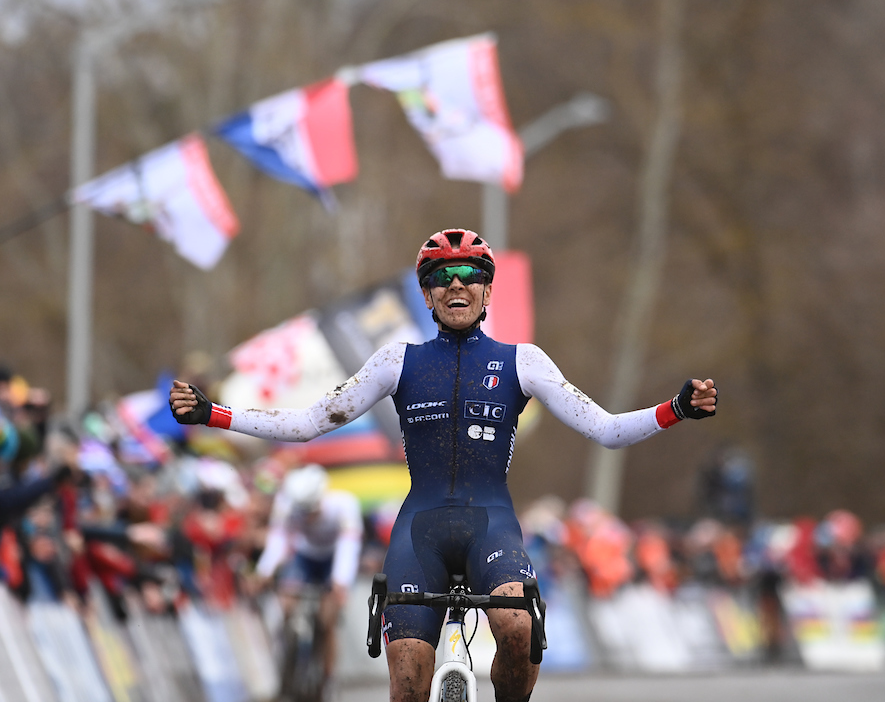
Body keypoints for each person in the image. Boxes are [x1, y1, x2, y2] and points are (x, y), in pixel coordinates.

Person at [171, 228, 718, 702]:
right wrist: (214, 415)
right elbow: (308, 423)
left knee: (517, 628)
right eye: (442, 276)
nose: (457, 284)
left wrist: (675, 409)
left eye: (469, 274)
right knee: (408, 680)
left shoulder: (522, 361)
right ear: (427, 294)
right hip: (420, 529)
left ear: (486, 288)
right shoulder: (396, 360)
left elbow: (607, 429)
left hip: (491, 524)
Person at [251, 463, 363, 681]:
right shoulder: (286, 504)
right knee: (286, 604)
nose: (308, 518)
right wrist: (263, 571)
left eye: (312, 512)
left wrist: (340, 582)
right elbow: (279, 539)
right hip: (305, 556)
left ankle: (327, 678)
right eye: (303, 513)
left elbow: (348, 547)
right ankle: (287, 654)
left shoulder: (344, 504)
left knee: (326, 620)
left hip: (333, 558)